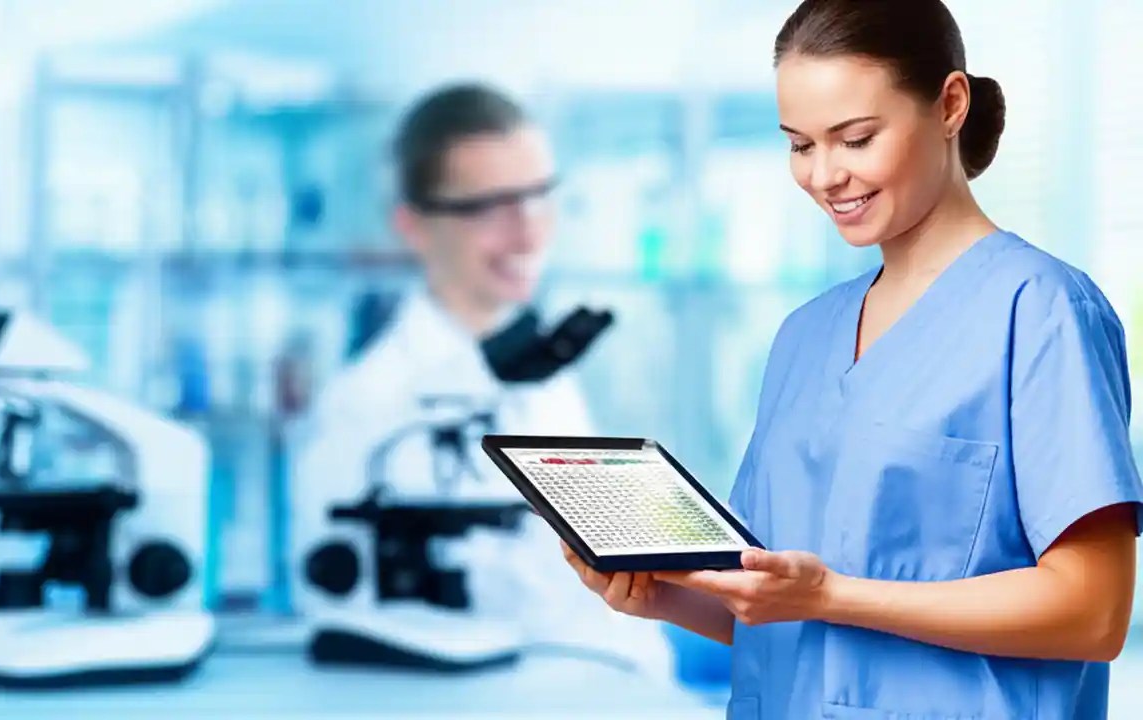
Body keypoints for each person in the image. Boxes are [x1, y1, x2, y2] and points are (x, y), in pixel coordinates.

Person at [561, 0, 1143, 717]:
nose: (825, 176)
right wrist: (665, 596)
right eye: (801, 146)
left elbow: (1093, 612)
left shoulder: (1043, 311)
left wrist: (833, 594)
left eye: (857, 139)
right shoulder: (804, 337)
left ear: (950, 105)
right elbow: (777, 616)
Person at [291, 83, 674, 678]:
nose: (530, 234)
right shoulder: (367, 406)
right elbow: (347, 620)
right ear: (414, 226)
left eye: (539, 196)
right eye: (491, 207)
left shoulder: (544, 380)